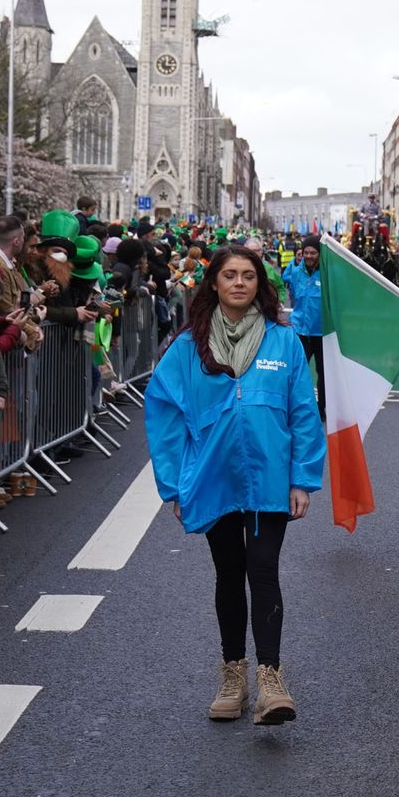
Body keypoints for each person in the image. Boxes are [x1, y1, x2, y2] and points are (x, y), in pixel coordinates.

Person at [144, 245, 326, 727]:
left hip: (270, 476)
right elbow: (162, 415)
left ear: (259, 283)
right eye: (230, 275)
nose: (240, 283)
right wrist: (173, 486)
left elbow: (304, 413)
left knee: (263, 569)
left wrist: (303, 477)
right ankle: (233, 675)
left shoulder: (283, 340)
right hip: (214, 477)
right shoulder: (188, 346)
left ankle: (270, 679)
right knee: (228, 572)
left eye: (248, 275)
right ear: (215, 284)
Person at [282, 237, 325, 417]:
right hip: (300, 330)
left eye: (313, 253)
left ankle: (322, 408)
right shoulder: (297, 273)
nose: (308, 256)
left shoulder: (327, 274)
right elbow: (293, 295)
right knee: (296, 372)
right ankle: (294, 408)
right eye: (306, 252)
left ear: (319, 254)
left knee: (323, 374)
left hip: (321, 332)